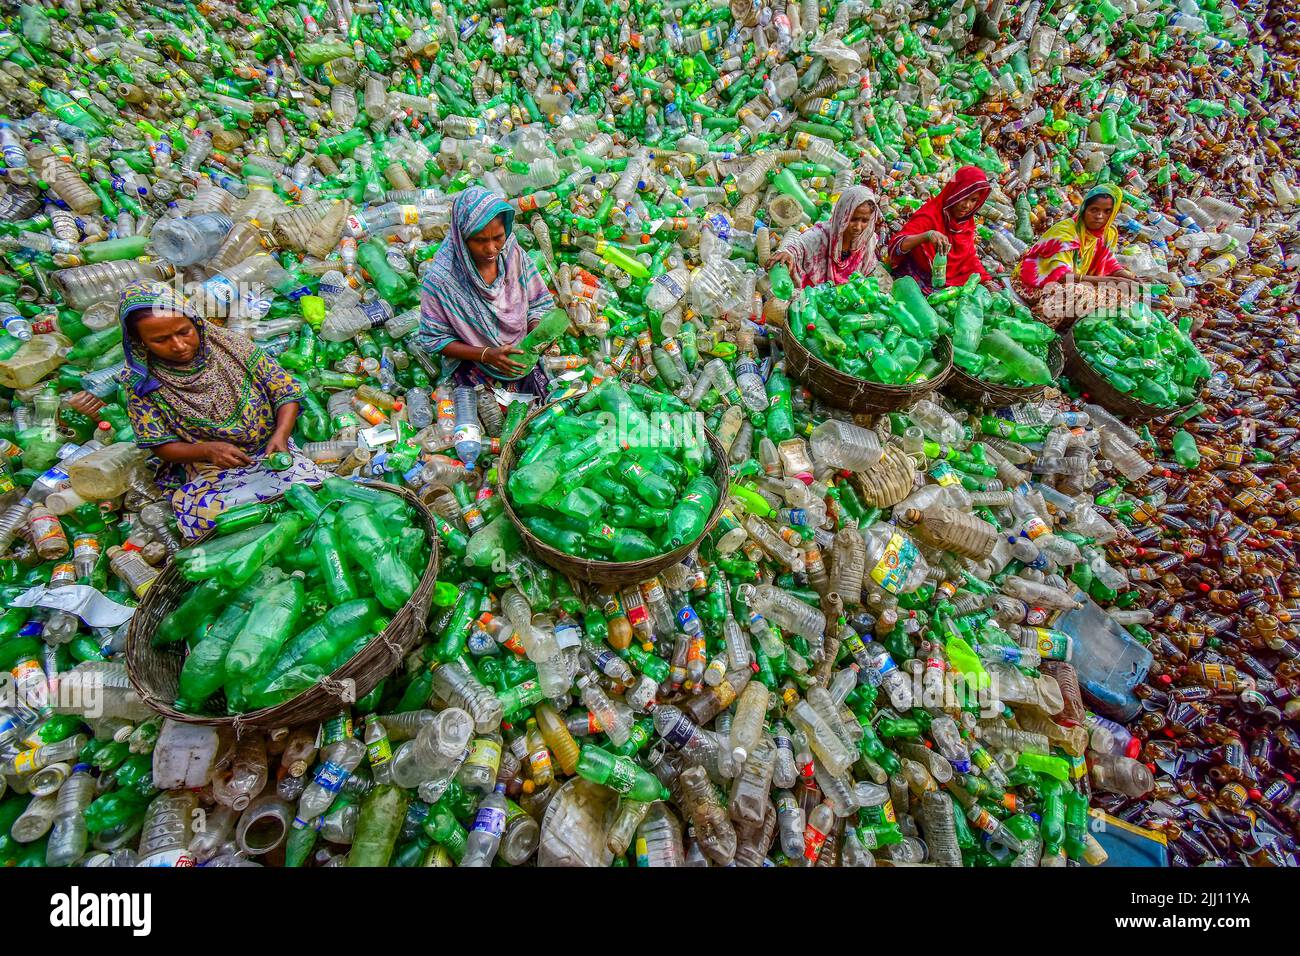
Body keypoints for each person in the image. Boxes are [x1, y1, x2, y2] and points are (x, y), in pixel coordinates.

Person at [118, 279, 328, 540]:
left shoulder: (232, 346)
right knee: (211, 520)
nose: (178, 345)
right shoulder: (141, 383)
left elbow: (284, 391)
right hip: (210, 465)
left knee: (313, 494)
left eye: (184, 332)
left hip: (271, 449)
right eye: (161, 340)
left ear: (194, 321)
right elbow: (160, 445)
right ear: (140, 342)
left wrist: (281, 435)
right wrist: (207, 450)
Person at [416, 185, 556, 395]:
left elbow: (539, 303)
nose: (491, 249)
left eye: (497, 237)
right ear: (462, 238)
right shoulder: (442, 278)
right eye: (480, 240)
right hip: (475, 362)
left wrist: (536, 334)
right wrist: (486, 354)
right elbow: (434, 338)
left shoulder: (512, 253)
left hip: (521, 355)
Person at [1013, 183, 1139, 328]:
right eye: (1094, 210)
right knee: (1074, 292)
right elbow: (1060, 276)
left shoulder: (1106, 233)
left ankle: (1072, 325)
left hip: (1073, 283)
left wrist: (1130, 277)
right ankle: (1040, 327)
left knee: (1129, 293)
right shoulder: (1066, 232)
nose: (1099, 216)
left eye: (1107, 212)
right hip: (1034, 285)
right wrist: (1110, 280)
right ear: (1084, 209)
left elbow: (1109, 263)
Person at [887, 165, 997, 293]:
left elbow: (969, 257)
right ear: (954, 193)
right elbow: (895, 247)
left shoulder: (966, 223)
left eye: (973, 200)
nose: (967, 205)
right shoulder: (930, 215)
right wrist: (927, 235)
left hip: (950, 281)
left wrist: (986, 280)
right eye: (963, 198)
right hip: (918, 276)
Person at [766, 186, 882, 288]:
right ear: (842, 214)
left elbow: (868, 274)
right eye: (853, 219)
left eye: (865, 220)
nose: (858, 227)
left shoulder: (868, 241)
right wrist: (788, 253)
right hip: (817, 298)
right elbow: (799, 246)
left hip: (849, 300)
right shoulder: (820, 235)